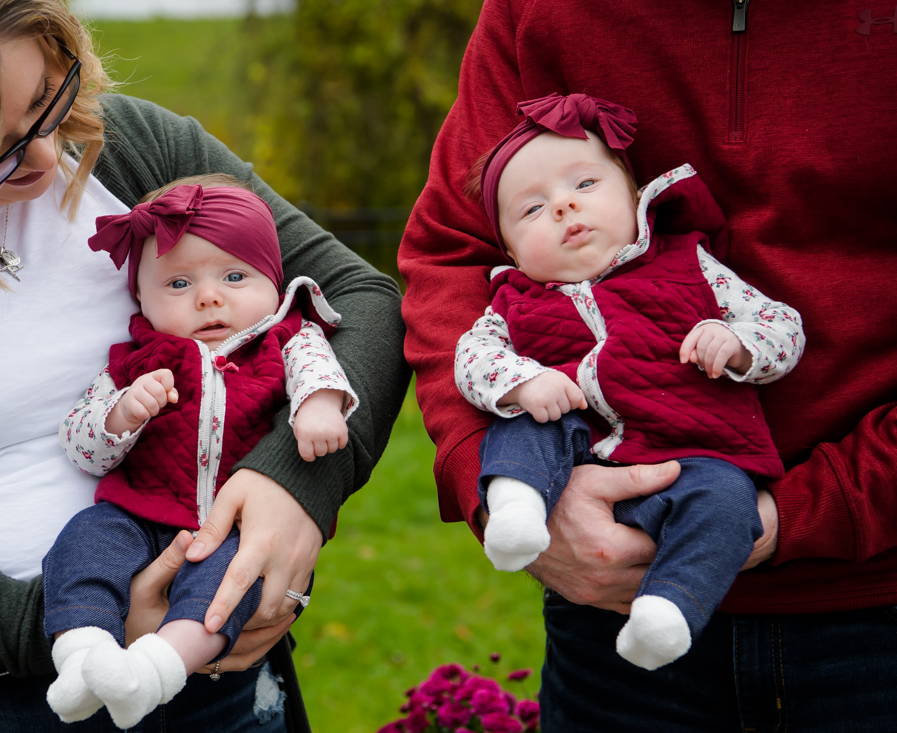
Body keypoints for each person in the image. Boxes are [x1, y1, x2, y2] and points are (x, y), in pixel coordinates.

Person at [0, 1, 409, 730]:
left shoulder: (135, 149)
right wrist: (71, 622)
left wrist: (297, 485)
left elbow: (361, 299)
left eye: (46, 101)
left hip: (208, 671)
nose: (50, 160)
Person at [399, 0, 897, 729]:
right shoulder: (537, 12)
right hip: (606, 593)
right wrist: (510, 483)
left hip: (875, 591)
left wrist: (799, 514)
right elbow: (453, 248)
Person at [457, 92, 802, 671]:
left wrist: (739, 343)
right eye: (533, 209)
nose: (564, 207)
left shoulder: (690, 265)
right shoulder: (514, 299)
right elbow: (472, 356)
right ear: (511, 250)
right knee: (527, 423)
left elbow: (781, 324)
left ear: (636, 198)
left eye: (584, 186)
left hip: (696, 453)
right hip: (580, 455)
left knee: (727, 503)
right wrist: (521, 382)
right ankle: (516, 507)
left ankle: (668, 610)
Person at [45, 176, 357, 728]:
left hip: (233, 525)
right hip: (137, 512)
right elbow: (81, 444)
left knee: (224, 586)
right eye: (179, 282)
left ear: (275, 282)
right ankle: (81, 652)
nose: (209, 297)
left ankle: (160, 666)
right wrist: (121, 414)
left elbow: (319, 371)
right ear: (140, 298)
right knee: (82, 547)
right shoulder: (134, 361)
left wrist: (319, 407)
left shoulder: (286, 339)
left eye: (235, 276)